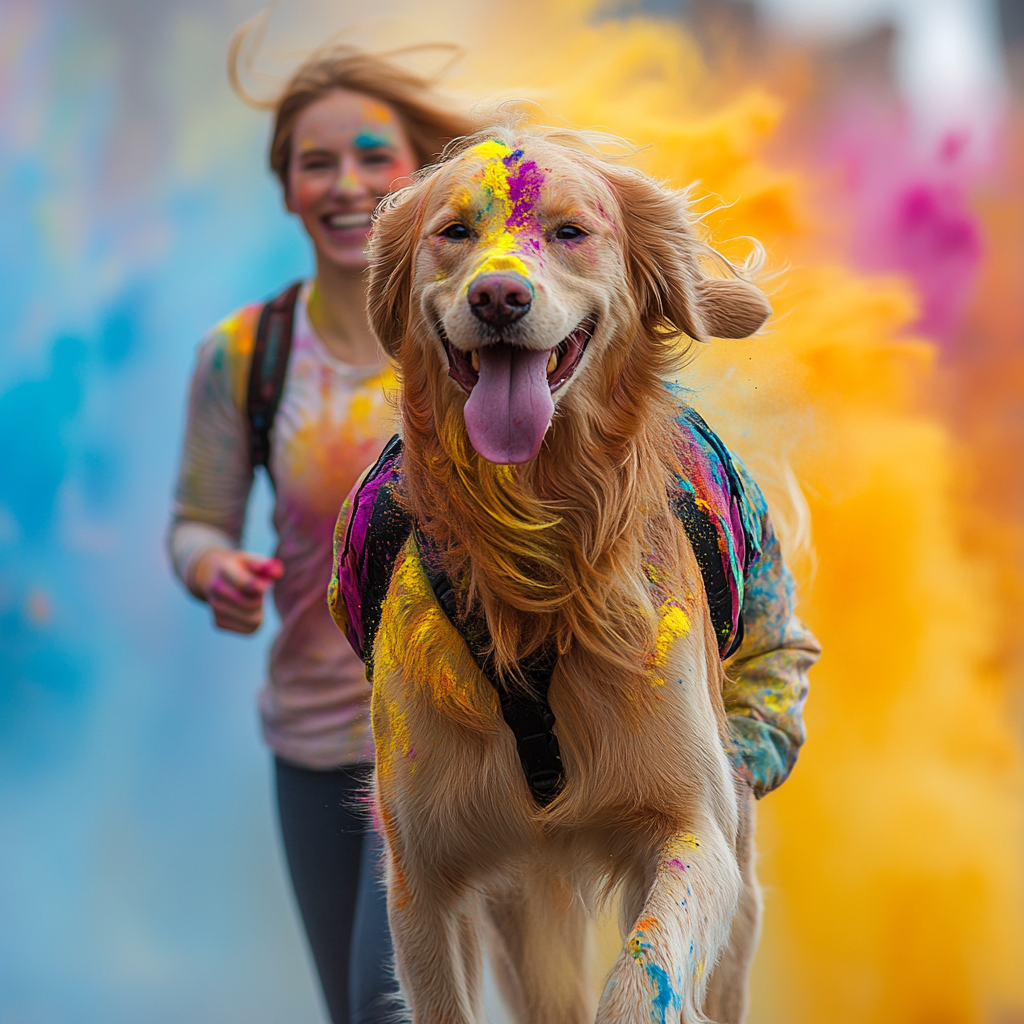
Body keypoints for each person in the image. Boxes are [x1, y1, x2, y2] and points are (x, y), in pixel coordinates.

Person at [167, 40, 478, 1024]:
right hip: (308, 736)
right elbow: (194, 522)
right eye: (316, 162)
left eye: (373, 156)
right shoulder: (246, 355)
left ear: (417, 176)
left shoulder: (478, 331)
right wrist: (215, 568)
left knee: (385, 1007)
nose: (347, 185)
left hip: (452, 737)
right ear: (288, 190)